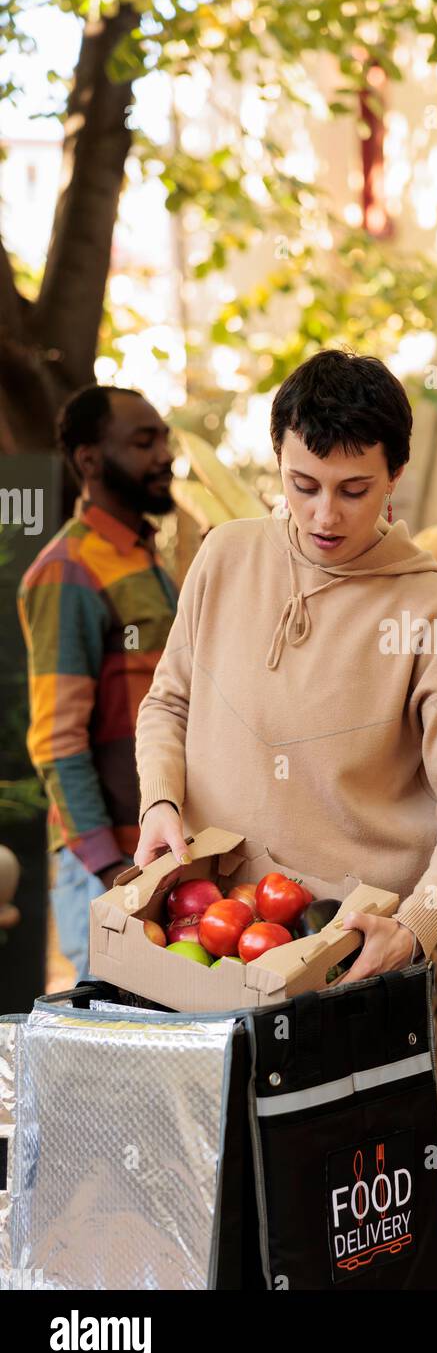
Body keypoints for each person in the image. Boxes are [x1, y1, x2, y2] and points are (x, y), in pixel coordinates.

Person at [134, 350, 437, 976]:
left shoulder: (432, 607)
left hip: (346, 946)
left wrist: (415, 925)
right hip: (201, 927)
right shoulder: (224, 557)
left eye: (354, 489)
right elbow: (169, 704)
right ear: (279, 462)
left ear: (395, 474)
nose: (324, 515)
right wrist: (159, 806)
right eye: (302, 485)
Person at [18, 386, 178, 981]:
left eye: (164, 438)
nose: (164, 455)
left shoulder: (146, 560)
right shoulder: (67, 571)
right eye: (143, 442)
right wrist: (112, 873)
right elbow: (57, 741)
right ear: (89, 460)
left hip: (158, 865)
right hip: (111, 878)